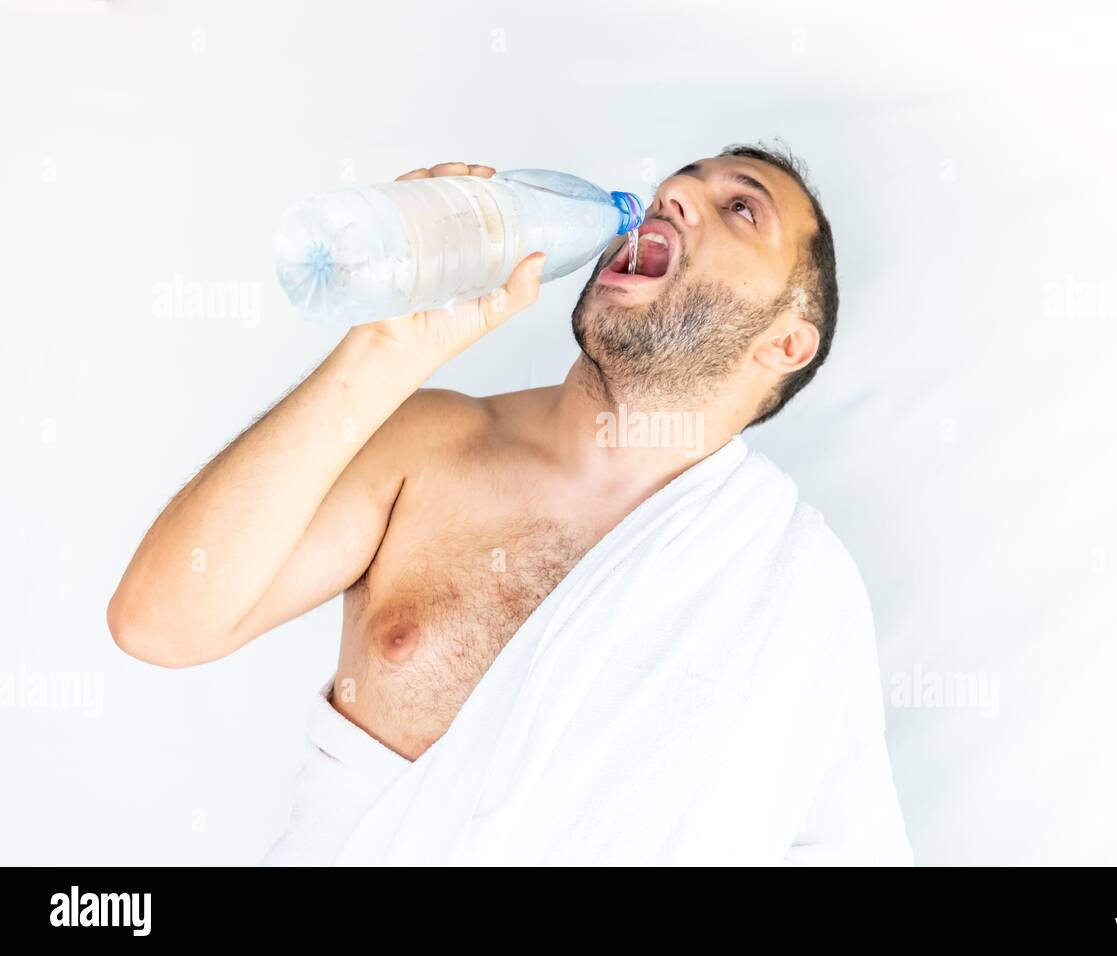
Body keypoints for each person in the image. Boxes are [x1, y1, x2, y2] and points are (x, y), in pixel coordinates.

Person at [107, 144, 913, 865]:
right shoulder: (429, 444)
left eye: (741, 207)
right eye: (682, 179)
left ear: (785, 342)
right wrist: (383, 349)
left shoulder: (795, 583)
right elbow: (159, 622)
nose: (673, 191)